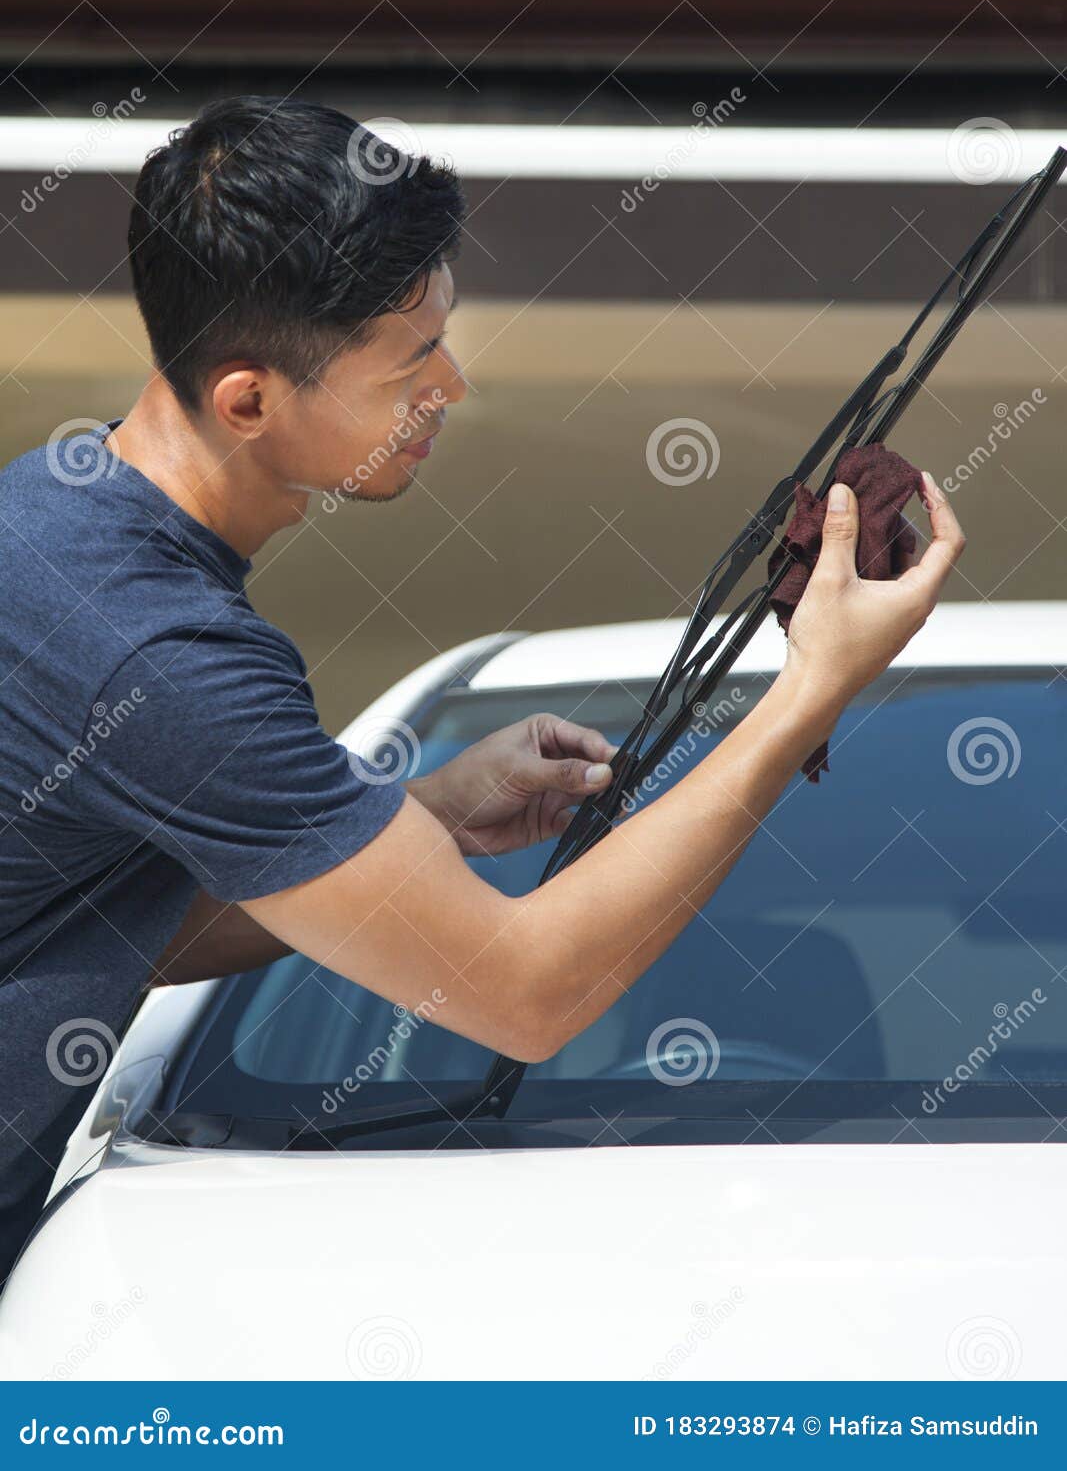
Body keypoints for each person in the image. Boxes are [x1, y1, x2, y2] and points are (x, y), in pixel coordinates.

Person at [0, 96, 965, 1288]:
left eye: (443, 337)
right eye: (410, 363)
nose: (450, 387)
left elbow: (104, 928)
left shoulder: (52, 515)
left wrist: (427, 817)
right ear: (248, 400)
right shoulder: (159, 649)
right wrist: (807, 691)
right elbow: (525, 993)